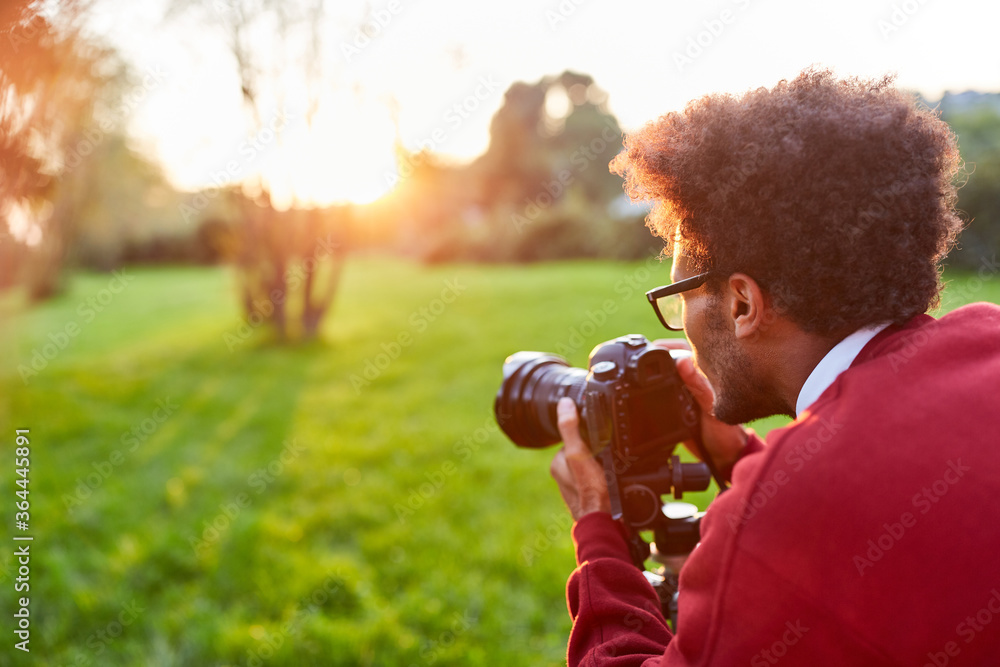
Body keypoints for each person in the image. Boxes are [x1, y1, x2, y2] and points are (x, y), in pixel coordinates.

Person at [548, 68, 1000, 666]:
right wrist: (745, 463)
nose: (680, 320)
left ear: (741, 303)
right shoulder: (986, 333)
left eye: (680, 292)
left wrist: (598, 529)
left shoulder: (784, 517)